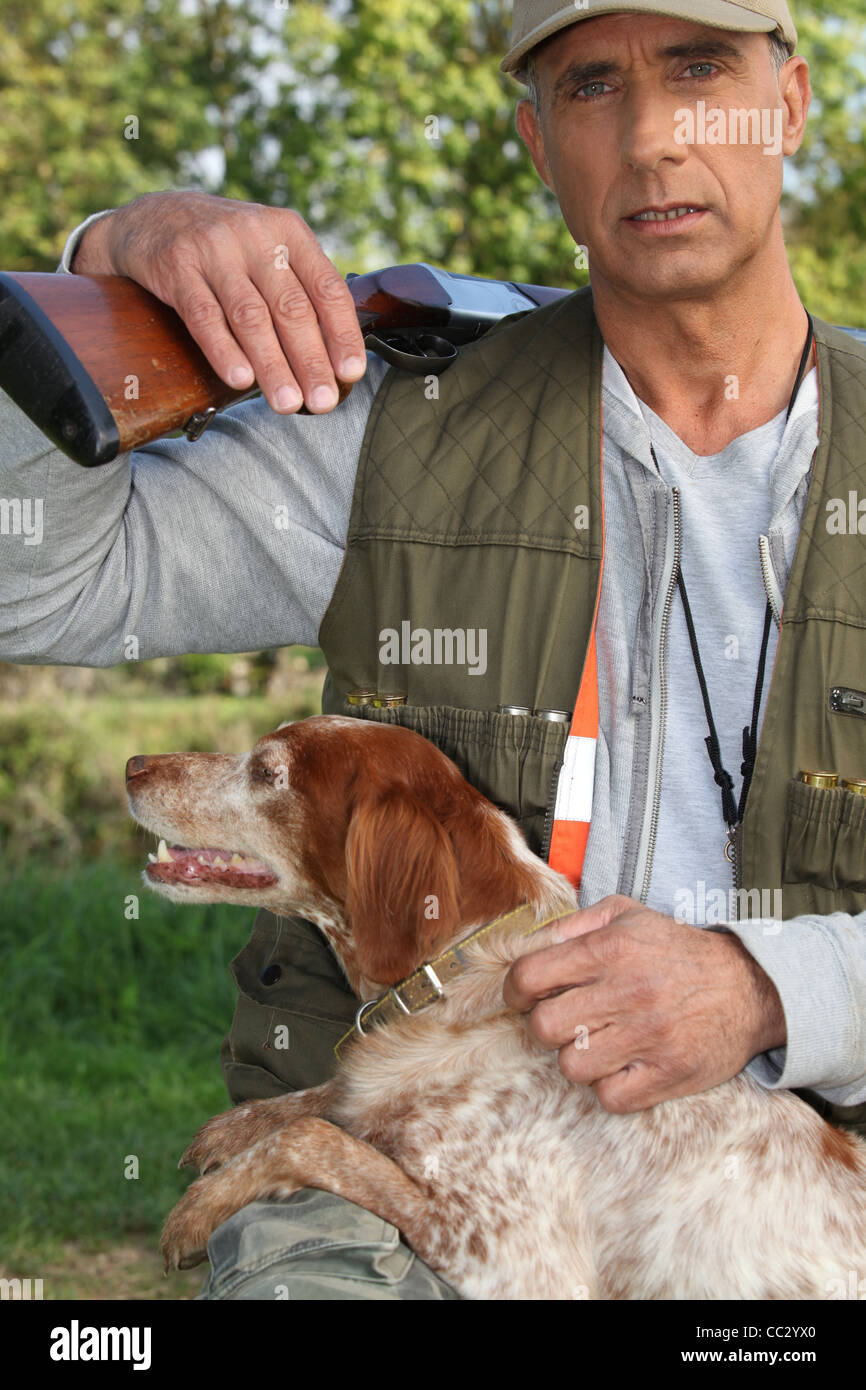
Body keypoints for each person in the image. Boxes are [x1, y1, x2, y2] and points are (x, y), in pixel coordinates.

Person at [1, 0, 864, 1300]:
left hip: (799, 1180)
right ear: (533, 138)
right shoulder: (393, 435)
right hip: (391, 1152)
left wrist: (767, 985)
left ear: (787, 103)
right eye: (588, 86)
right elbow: (37, 585)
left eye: (696, 71)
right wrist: (107, 272)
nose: (646, 138)